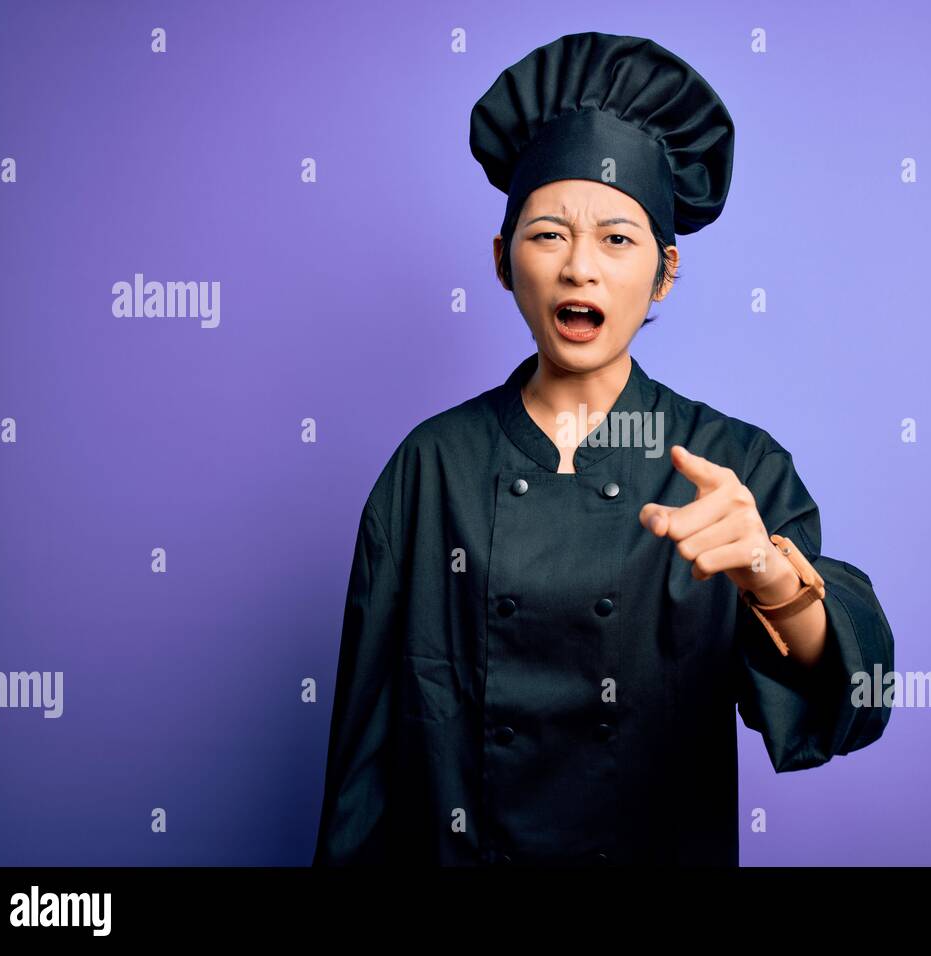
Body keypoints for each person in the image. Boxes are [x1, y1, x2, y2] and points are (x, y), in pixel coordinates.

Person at [312, 31, 894, 867]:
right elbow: (361, 763)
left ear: (664, 272)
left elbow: (852, 701)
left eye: (619, 239)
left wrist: (774, 577)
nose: (580, 267)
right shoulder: (428, 468)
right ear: (502, 262)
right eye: (547, 235)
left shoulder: (733, 468)